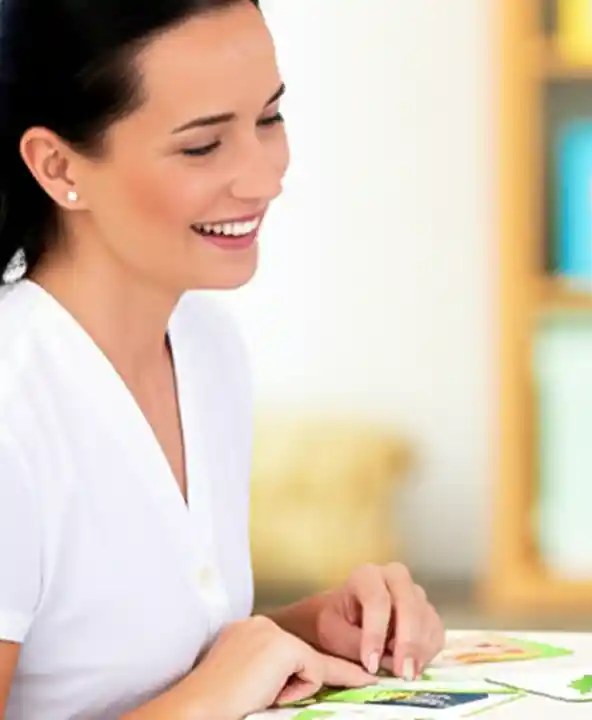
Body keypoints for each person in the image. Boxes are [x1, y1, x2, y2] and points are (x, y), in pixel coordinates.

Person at [0, 1, 445, 718]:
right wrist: (216, 692)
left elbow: (129, 667)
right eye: (203, 146)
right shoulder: (12, 412)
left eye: (268, 118)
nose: (264, 178)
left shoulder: (205, 347)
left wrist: (305, 630)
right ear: (57, 166)